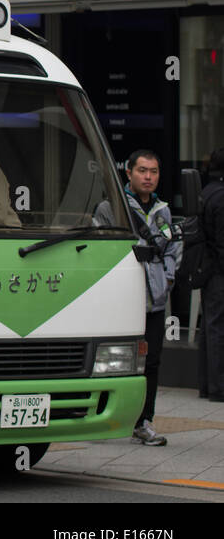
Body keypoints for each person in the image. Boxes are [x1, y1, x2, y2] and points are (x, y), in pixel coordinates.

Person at [94, 149, 181, 445]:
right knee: (112, 359)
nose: (148, 177)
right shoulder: (111, 208)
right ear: (128, 173)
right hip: (123, 298)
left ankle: (144, 422)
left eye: (154, 172)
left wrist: (168, 277)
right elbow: (102, 248)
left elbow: (173, 248)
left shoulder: (163, 210)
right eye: (142, 171)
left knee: (152, 362)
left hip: (154, 298)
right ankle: (100, 419)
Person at [196, 148, 224, 402]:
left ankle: (207, 384)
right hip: (218, 271)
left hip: (208, 268)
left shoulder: (206, 192)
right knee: (216, 328)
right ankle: (218, 387)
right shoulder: (221, 196)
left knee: (209, 326)